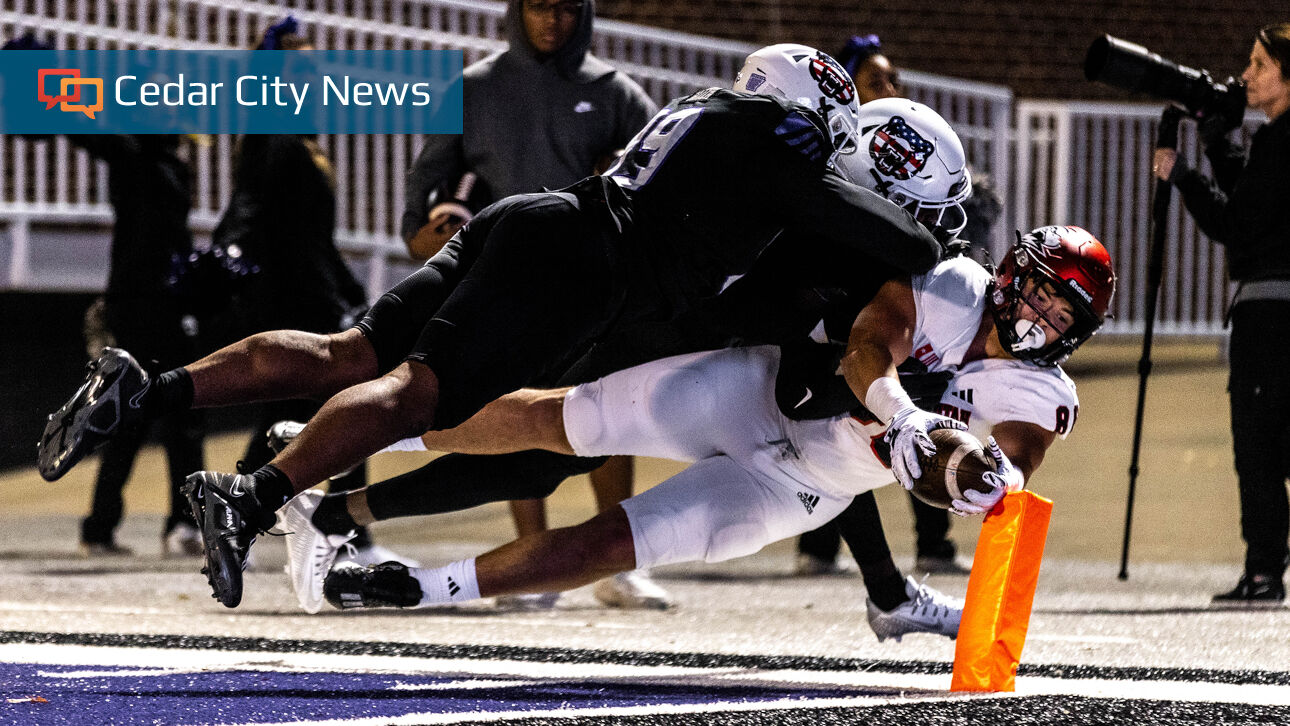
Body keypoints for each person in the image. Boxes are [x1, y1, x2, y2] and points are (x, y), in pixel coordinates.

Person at [37, 44, 941, 609]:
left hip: (539, 220)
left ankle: (147, 385)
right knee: (414, 396)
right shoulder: (765, 142)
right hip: (583, 269)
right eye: (829, 129)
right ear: (803, 111)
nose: (833, 146)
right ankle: (257, 496)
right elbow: (900, 236)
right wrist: (936, 222)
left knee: (348, 354)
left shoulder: (707, 116)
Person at [273, 96, 976, 639]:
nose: (930, 230)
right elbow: (814, 375)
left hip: (674, 341)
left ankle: (334, 492)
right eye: (914, 210)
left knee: (544, 446)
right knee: (530, 432)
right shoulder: (813, 216)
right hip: (642, 328)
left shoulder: (822, 219)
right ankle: (330, 459)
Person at [313, 226, 1116, 625]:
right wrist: (904, 415)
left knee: (611, 544)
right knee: (564, 421)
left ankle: (416, 589)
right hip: (757, 393)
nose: (1041, 314)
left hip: (799, 487)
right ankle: (370, 432)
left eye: (1060, 311)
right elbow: (871, 343)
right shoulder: (953, 286)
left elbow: (1010, 456)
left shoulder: (1040, 393)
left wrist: (975, 472)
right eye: (1040, 291)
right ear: (1014, 274)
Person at [398, 0, 660, 608]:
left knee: (606, 416)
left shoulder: (616, 92)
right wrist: (422, 232)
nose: (554, 21)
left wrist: (626, 174)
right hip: (504, 282)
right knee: (513, 416)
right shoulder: (471, 89)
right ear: (518, 10)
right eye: (541, 6)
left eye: (568, 9)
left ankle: (617, 568)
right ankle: (529, 573)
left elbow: (664, 172)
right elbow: (423, 195)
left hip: (594, 284)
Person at [211, 17, 400, 567]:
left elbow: (314, 234)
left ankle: (231, 513)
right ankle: (344, 532)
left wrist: (347, 285)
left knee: (291, 418)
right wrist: (227, 257)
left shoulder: (297, 138)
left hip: (315, 293)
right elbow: (250, 211)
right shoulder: (270, 136)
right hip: (294, 299)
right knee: (349, 406)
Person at [1152, 22, 1290, 603]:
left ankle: (1263, 572)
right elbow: (1255, 202)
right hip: (1274, 315)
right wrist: (1218, 143)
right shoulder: (1277, 142)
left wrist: (1182, 176)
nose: (1247, 74)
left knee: (1258, 446)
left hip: (1271, 320)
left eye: (1260, 65)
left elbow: (1235, 225)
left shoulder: (1284, 142)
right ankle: (1264, 568)